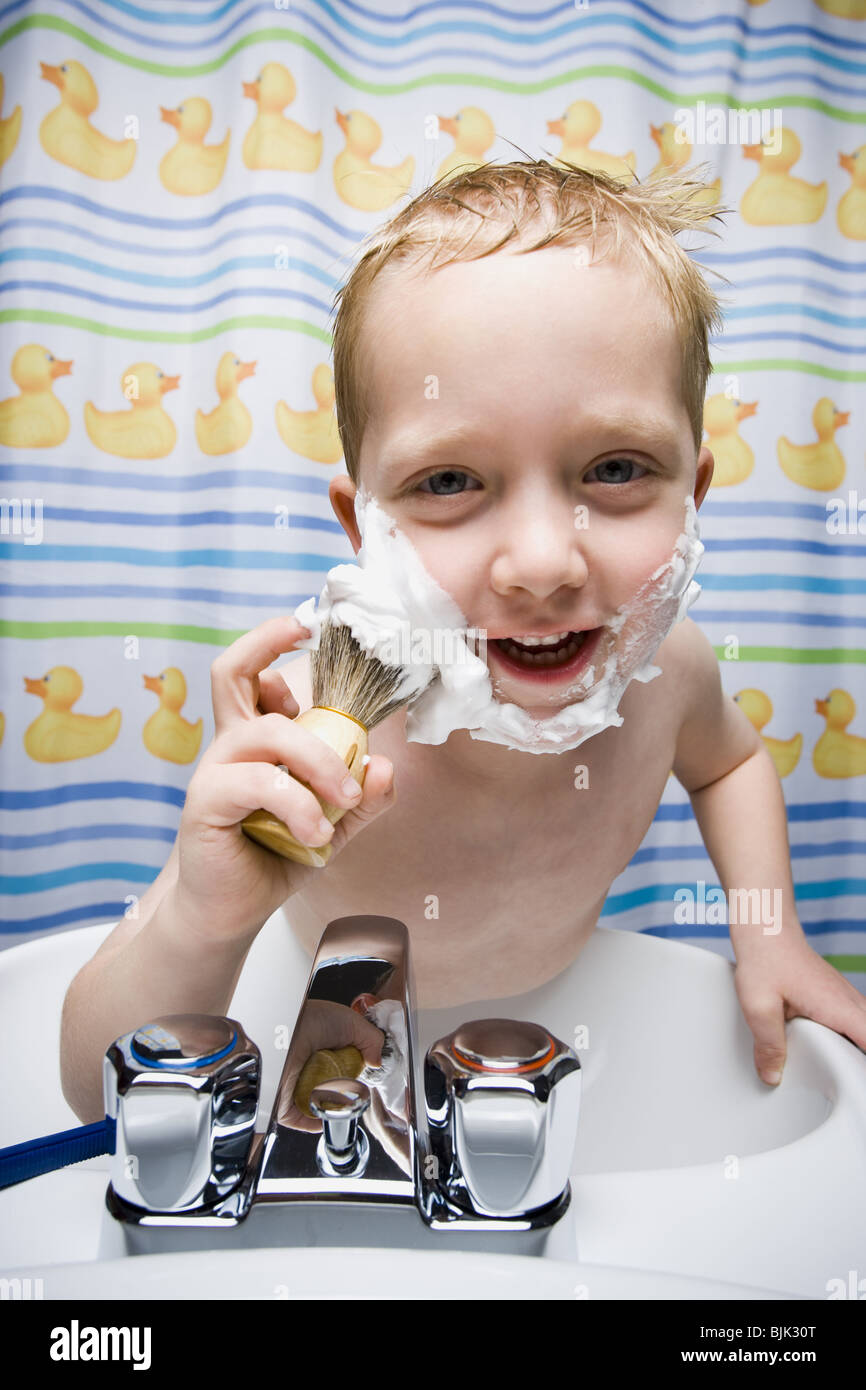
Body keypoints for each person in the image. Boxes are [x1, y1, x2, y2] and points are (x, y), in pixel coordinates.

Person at [60, 159, 866, 1123]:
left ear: (691, 499)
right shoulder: (315, 714)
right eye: (449, 483)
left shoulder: (670, 673)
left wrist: (767, 931)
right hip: (327, 1030)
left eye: (615, 468)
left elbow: (729, 766)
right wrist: (207, 911)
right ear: (366, 533)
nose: (539, 562)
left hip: (561, 1028)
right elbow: (92, 1095)